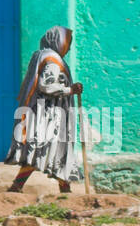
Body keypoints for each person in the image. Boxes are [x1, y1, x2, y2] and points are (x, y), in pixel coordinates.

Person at [6, 26, 83, 194]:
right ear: (58, 41)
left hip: (42, 112)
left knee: (48, 150)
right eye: (67, 43)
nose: (69, 47)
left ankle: (63, 188)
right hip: (48, 115)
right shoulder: (52, 59)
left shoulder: (42, 55)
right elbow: (46, 85)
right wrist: (70, 90)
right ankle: (62, 189)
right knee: (51, 150)